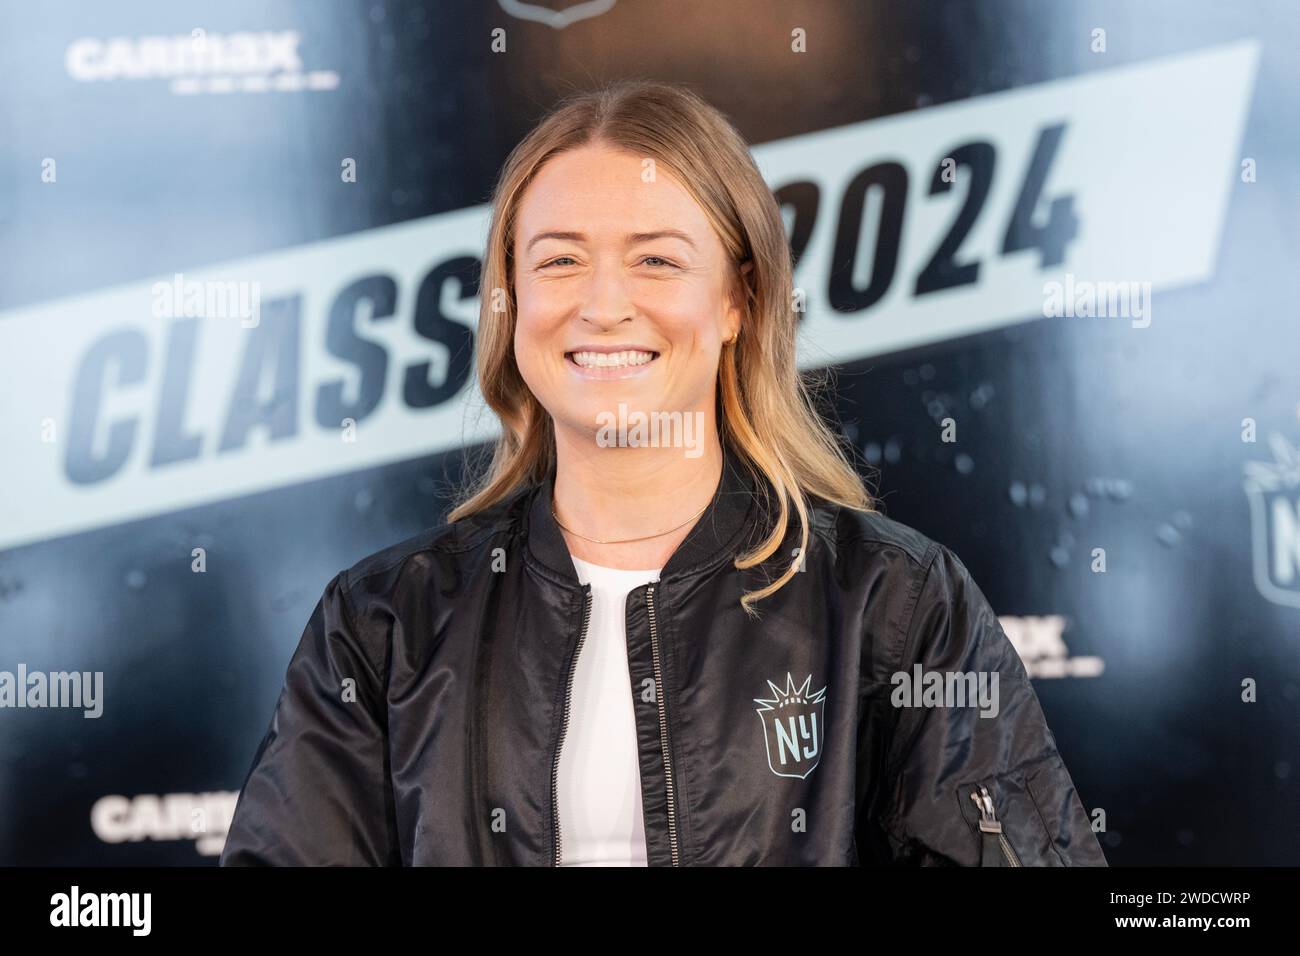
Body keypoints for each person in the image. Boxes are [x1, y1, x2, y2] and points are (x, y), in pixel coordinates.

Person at [220, 79, 1106, 867]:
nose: (603, 305)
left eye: (656, 258)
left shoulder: (898, 605)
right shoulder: (381, 625)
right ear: (511, 302)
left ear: (738, 302)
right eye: (559, 259)